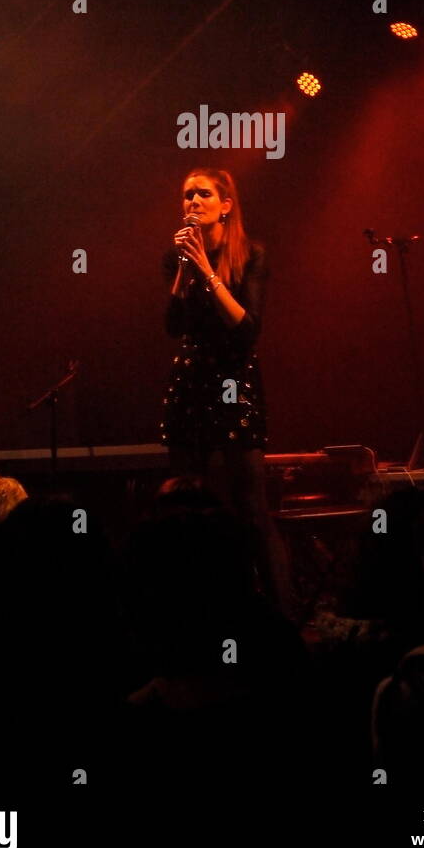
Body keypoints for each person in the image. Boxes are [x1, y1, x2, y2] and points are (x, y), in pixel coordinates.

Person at [160, 168, 292, 616]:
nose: (192, 201)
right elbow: (173, 326)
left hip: (234, 377)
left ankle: (282, 620)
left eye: (203, 194)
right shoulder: (175, 257)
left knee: (251, 507)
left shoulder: (251, 255)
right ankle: (192, 614)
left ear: (225, 205)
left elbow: (246, 330)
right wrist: (184, 269)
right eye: (186, 194)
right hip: (192, 377)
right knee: (183, 502)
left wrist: (207, 272)